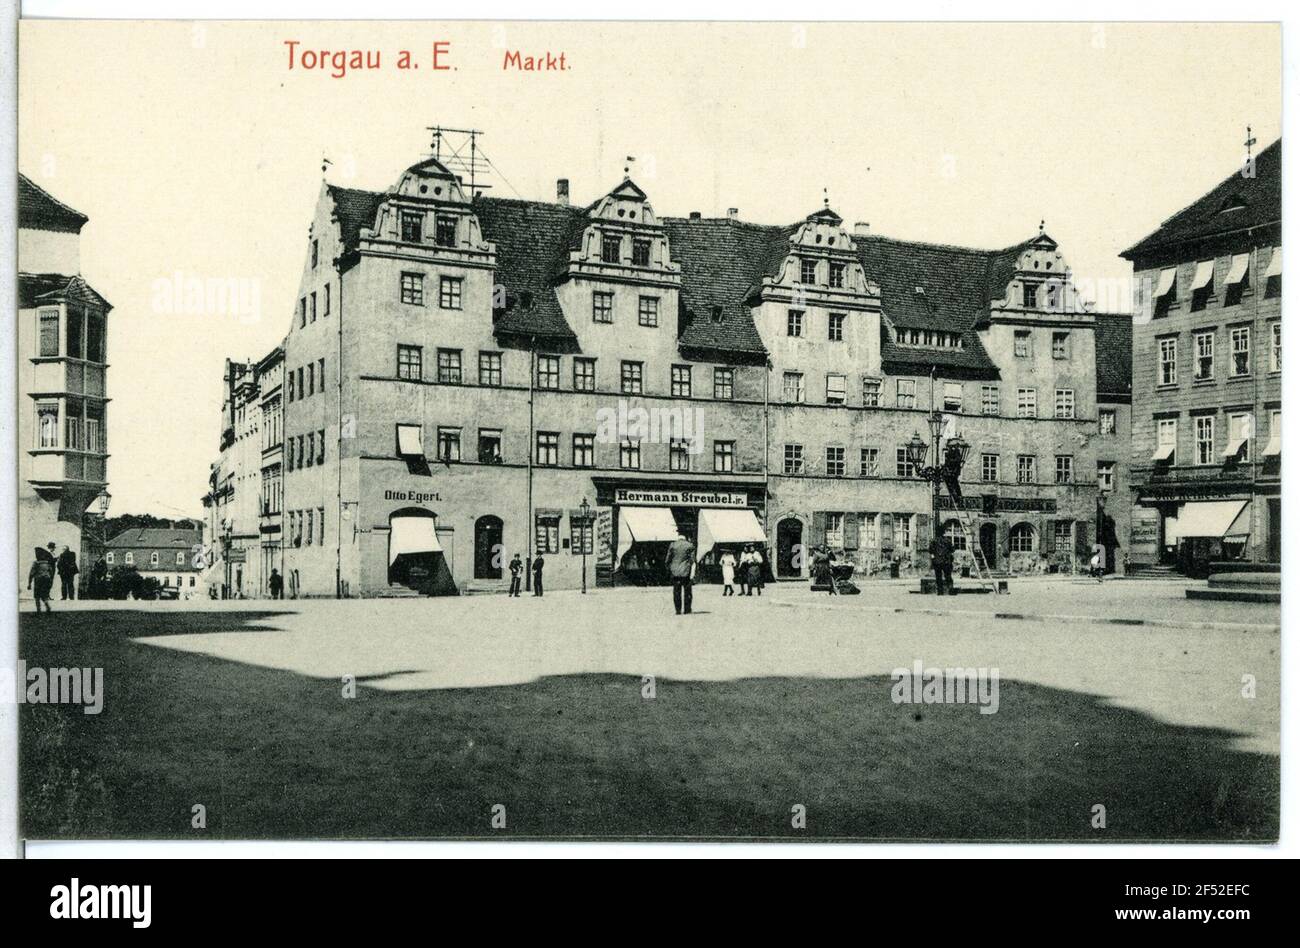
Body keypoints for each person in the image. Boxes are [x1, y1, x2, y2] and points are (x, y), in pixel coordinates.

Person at [666, 531, 696, 615]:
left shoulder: (672, 545)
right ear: (686, 537)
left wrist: (670, 569)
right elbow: (693, 561)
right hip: (686, 572)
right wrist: (692, 573)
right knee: (688, 592)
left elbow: (667, 560)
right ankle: (687, 610)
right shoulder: (690, 545)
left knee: (676, 592)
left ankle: (678, 610)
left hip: (675, 572)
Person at [28, 544, 57, 613]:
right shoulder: (47, 563)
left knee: (37, 595)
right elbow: (51, 572)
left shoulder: (36, 563)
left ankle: (38, 610)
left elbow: (31, 573)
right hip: (47, 579)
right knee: (44, 594)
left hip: (38, 579)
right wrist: (50, 579)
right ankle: (47, 606)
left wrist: (29, 583)